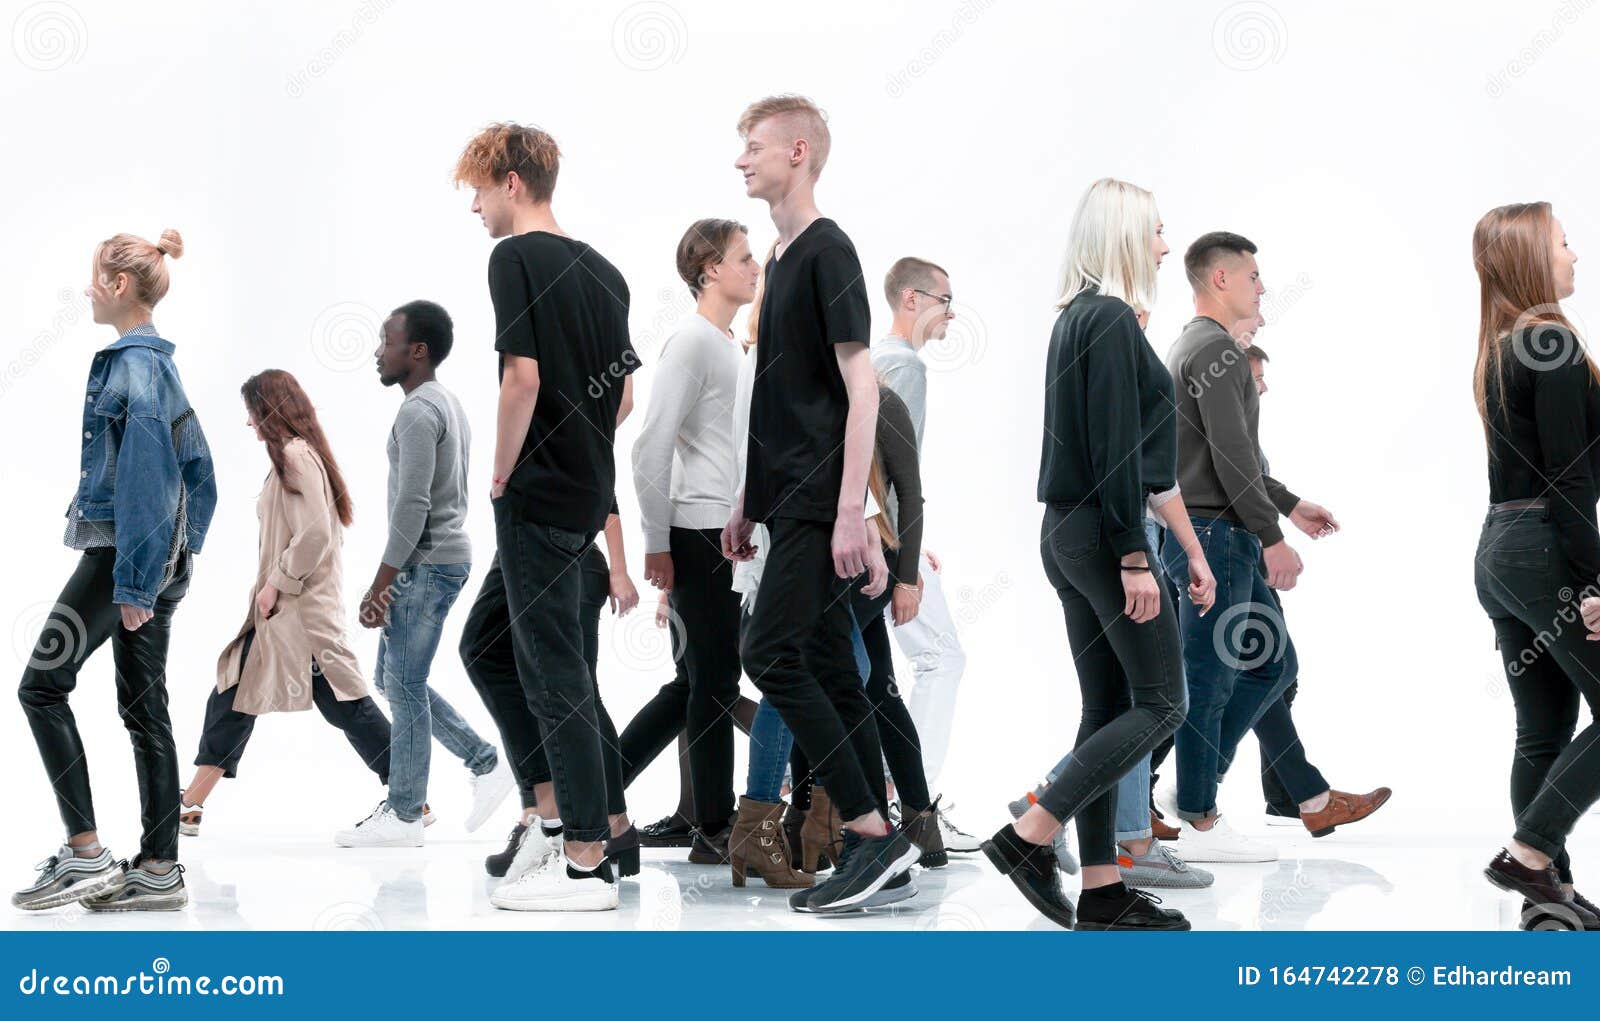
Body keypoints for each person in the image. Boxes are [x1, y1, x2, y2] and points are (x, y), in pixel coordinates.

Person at [722, 94, 919, 914]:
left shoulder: (829, 249)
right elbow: (778, 396)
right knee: (834, 667)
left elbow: (860, 389)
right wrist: (748, 497)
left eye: (754, 146)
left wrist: (849, 516)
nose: (741, 159)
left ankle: (871, 831)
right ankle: (885, 846)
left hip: (818, 501)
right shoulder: (780, 256)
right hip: (786, 499)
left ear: (798, 152)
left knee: (770, 654)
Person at [983, 177, 1196, 931]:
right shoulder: (1106, 318)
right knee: (1165, 702)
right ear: (1125, 235)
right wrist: (1135, 556)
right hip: (1105, 534)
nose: (1166, 246)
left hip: (1070, 532)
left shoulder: (1078, 317)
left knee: (1106, 707)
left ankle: (1102, 890)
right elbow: (1114, 449)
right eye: (1157, 230)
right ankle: (1031, 833)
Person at [451, 121, 636, 911]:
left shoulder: (514, 257)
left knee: (556, 673)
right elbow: (624, 397)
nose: (476, 209)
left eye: (478, 192)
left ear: (512, 182)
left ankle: (587, 861)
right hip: (583, 493)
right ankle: (553, 811)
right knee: (488, 643)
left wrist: (501, 469)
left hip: (536, 495)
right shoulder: (606, 272)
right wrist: (580, 446)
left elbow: (520, 379)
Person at [1162, 233, 1388, 863]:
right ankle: (1198, 816)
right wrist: (1272, 536)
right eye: (1254, 275)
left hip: (1213, 530)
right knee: (1209, 678)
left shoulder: (1193, 345)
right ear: (1221, 279)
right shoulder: (1217, 350)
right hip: (1216, 534)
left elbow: (1227, 452)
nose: (1263, 287)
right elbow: (1232, 456)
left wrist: (1287, 504)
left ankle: (1199, 788)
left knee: (1272, 665)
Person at [14, 229, 215, 912]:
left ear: (120, 285)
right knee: (143, 708)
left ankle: (84, 853)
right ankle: (158, 867)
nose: (88, 290)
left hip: (121, 558)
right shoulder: (160, 367)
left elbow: (146, 480)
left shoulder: (131, 366)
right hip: (154, 557)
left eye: (95, 278)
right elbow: (202, 473)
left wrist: (135, 580)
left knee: (41, 687)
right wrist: (179, 558)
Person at [180, 371, 397, 845]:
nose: (249, 423)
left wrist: (276, 584)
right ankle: (191, 804)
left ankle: (408, 796)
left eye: (253, 412)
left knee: (337, 703)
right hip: (289, 612)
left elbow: (317, 532)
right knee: (242, 696)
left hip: (298, 612)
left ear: (270, 410)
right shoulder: (297, 454)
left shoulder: (295, 455)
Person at [340, 300, 514, 846]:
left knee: (404, 683)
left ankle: (406, 814)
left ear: (417, 351)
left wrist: (381, 584)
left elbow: (413, 506)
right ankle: (485, 762)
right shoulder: (447, 402)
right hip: (441, 559)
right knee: (393, 680)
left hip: (427, 564)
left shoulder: (417, 411)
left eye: (386, 341)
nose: (378, 351)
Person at [1473, 201, 1600, 930]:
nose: (1574, 254)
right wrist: (1593, 582)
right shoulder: (1550, 341)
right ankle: (1529, 854)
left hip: (1501, 550)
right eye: (1563, 243)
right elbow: (1569, 477)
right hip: (1543, 547)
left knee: (1543, 729)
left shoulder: (1502, 345)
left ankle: (1547, 897)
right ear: (1530, 257)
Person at [624, 219, 759, 862]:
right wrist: (657, 541)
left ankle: (596, 794)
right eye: (744, 258)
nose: (755, 267)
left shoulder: (728, 344)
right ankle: (711, 824)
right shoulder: (692, 341)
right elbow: (650, 446)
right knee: (712, 682)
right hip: (698, 534)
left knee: (700, 682)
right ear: (710, 270)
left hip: (725, 534)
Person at [870, 258, 980, 853]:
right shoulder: (905, 366)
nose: (952, 314)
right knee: (941, 659)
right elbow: (896, 473)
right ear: (911, 298)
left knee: (875, 676)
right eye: (945, 300)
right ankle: (916, 803)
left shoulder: (875, 359)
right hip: (886, 544)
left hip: (877, 533)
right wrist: (905, 557)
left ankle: (893, 798)